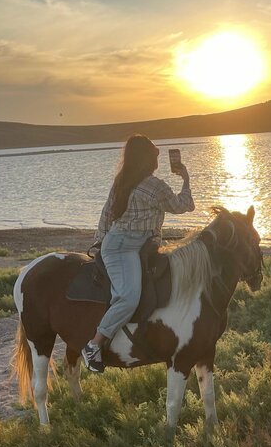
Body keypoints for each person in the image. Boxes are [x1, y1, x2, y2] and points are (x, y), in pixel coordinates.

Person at [81, 134, 194, 373]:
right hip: (124, 248)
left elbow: (106, 214)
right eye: (155, 153)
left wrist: (100, 241)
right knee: (128, 297)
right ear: (146, 158)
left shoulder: (123, 180)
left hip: (124, 243)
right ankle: (94, 344)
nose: (158, 156)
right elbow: (181, 206)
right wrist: (186, 179)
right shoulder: (154, 186)